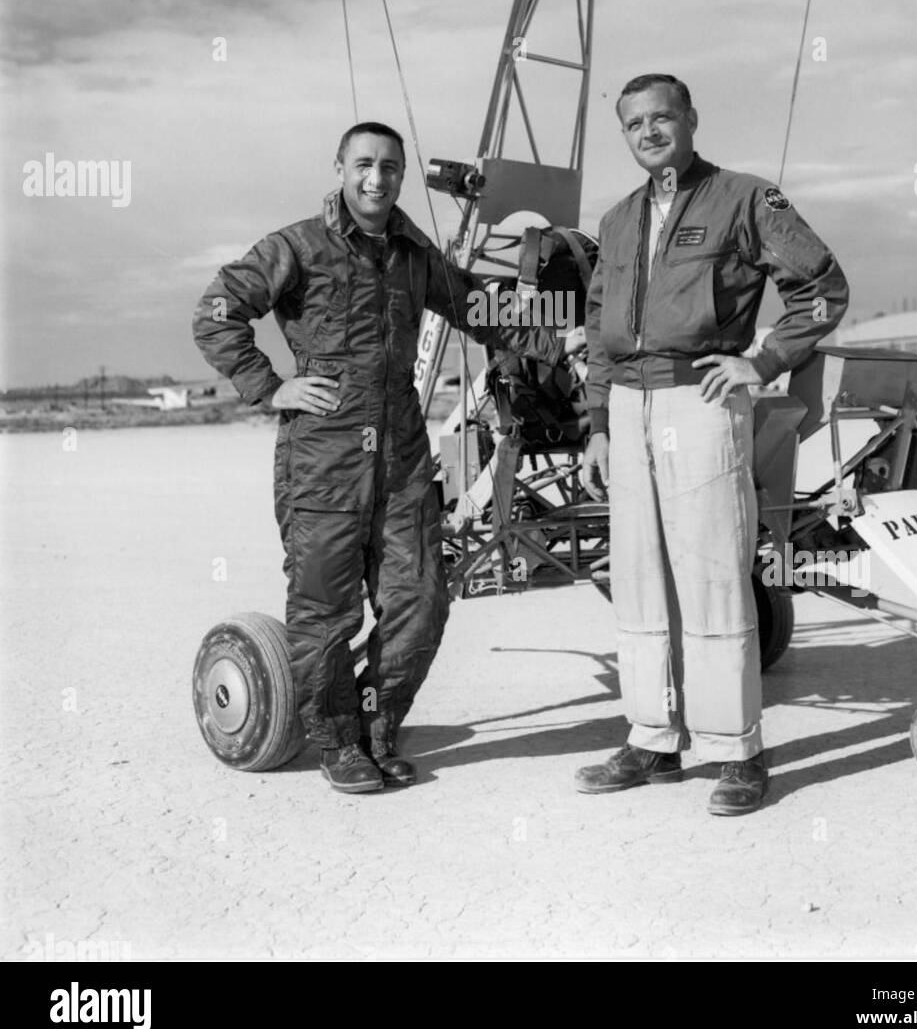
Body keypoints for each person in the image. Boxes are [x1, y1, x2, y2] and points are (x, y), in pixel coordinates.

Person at [193, 123, 570, 795]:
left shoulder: (412, 255)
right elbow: (217, 313)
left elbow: (484, 311)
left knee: (422, 601)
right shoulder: (296, 247)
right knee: (324, 612)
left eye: (390, 167)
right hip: (323, 457)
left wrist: (567, 340)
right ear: (338, 168)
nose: (377, 177)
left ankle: (377, 726)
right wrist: (269, 384)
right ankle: (337, 741)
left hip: (399, 457)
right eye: (363, 164)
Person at [577, 74, 848, 814]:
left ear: (690, 118)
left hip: (698, 402)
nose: (648, 132)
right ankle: (651, 738)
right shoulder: (616, 219)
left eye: (661, 117)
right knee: (637, 578)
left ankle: (735, 751)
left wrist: (759, 362)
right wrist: (599, 425)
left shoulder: (745, 198)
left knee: (711, 576)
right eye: (633, 123)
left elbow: (821, 286)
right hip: (628, 409)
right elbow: (602, 327)